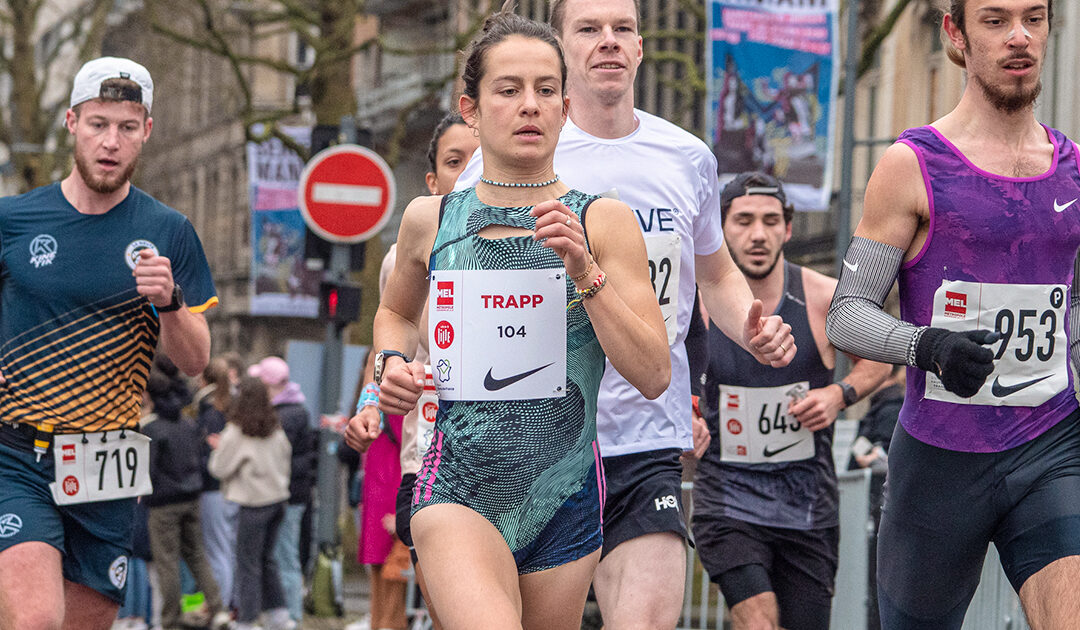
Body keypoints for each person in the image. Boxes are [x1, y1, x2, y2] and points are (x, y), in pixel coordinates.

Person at [454, 2, 795, 626]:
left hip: (645, 435)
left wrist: (749, 321)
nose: (608, 42)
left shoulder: (686, 156)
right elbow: (453, 293)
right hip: (537, 437)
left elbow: (714, 272)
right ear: (559, 48)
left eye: (622, 29)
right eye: (588, 29)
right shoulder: (502, 160)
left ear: (639, 47)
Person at [372, 6, 682, 627]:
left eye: (545, 91)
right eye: (508, 91)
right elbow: (395, 312)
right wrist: (391, 362)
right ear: (471, 108)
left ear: (566, 108)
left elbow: (653, 374)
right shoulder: (428, 222)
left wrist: (585, 273)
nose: (529, 106)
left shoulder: (603, 222)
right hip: (454, 485)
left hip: (564, 496)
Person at [825, 1, 1080, 628]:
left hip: (1051, 444)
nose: (1019, 37)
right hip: (940, 462)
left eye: (1034, 19)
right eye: (995, 20)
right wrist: (928, 347)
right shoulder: (912, 165)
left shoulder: (1074, 169)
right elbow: (846, 315)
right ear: (957, 34)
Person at [0, 56, 217, 630]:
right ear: (72, 122)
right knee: (36, 618)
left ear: (146, 130)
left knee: (83, 622)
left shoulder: (169, 230)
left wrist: (169, 301)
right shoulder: (13, 219)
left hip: (106, 458)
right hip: (15, 452)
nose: (110, 141)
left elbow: (196, 360)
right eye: (98, 123)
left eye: (126, 126)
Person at [692, 173, 890, 630]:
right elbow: (667, 374)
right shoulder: (699, 304)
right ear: (720, 228)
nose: (757, 234)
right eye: (742, 221)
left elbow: (882, 360)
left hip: (807, 506)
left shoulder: (822, 296)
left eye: (770, 220)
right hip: (727, 499)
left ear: (789, 229)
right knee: (758, 619)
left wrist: (838, 395)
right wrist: (690, 414)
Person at [344, 112, 480, 627]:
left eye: (478, 159)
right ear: (432, 182)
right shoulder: (404, 255)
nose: (468, 171)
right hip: (428, 460)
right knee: (447, 606)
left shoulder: (537, 245)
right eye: (454, 161)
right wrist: (368, 406)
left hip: (523, 459)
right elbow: (387, 347)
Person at [143, 357, 229, 630]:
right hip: (191, 496)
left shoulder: (152, 429)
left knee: (166, 562)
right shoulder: (188, 423)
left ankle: (169, 619)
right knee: (197, 555)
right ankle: (218, 609)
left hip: (163, 502)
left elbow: (149, 471)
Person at [208, 377, 294, 630]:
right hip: (277, 499)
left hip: (252, 503)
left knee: (247, 564)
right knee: (268, 560)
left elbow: (219, 468)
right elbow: (286, 456)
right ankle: (279, 615)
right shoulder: (275, 426)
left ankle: (247, 620)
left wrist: (218, 448)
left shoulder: (236, 430)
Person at [250, 356, 317, 626]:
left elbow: (279, 455)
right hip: (290, 494)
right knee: (280, 554)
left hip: (288, 495)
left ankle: (291, 613)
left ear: (271, 385)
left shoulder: (286, 415)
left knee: (285, 555)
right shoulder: (294, 409)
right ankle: (285, 612)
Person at [195, 357, 239, 612]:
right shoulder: (229, 408)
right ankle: (228, 602)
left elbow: (210, 454)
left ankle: (219, 605)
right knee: (227, 548)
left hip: (213, 488)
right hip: (229, 488)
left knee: (217, 550)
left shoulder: (210, 413)